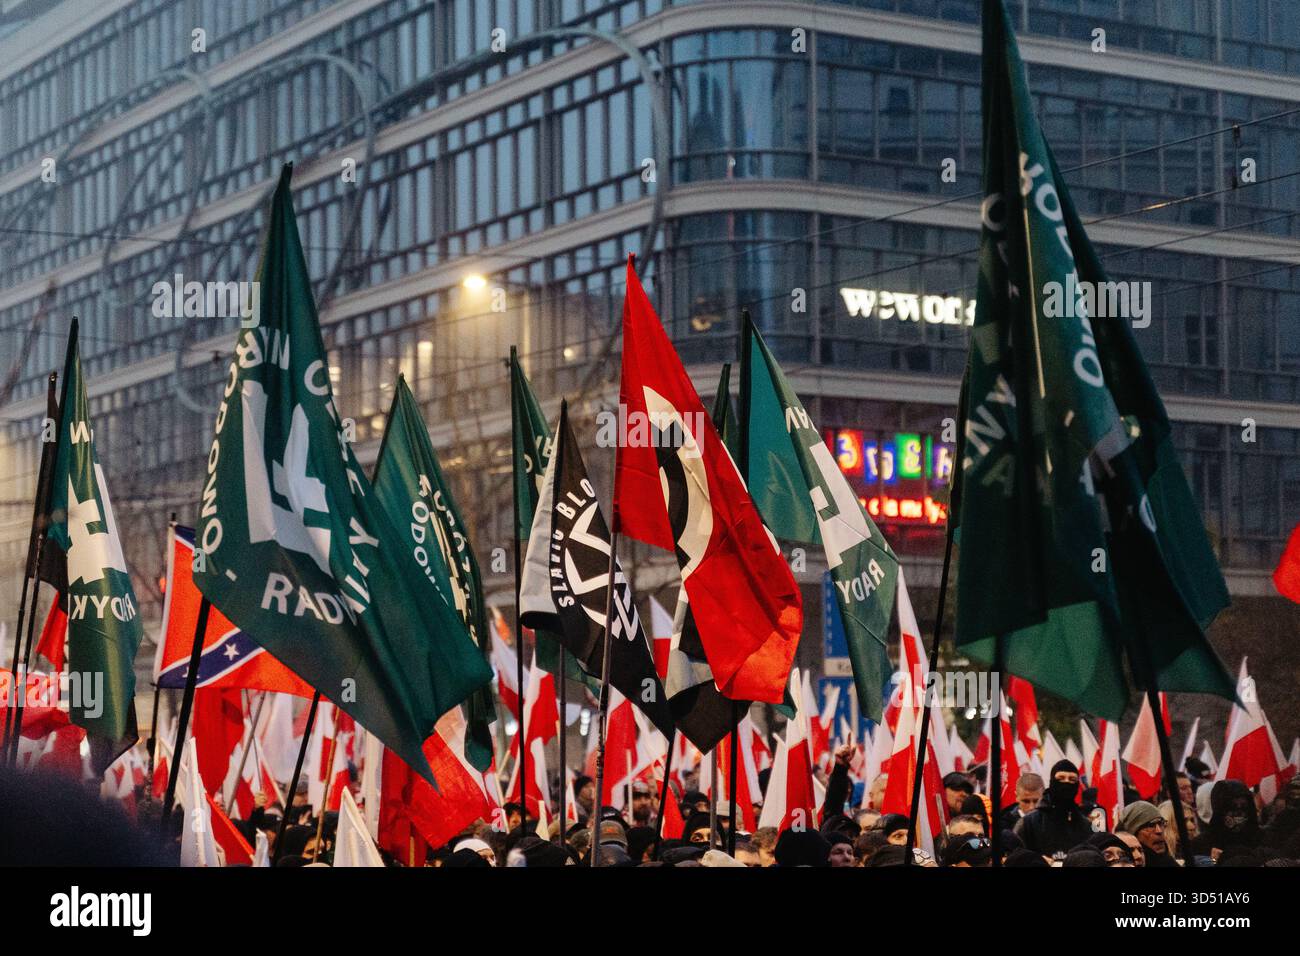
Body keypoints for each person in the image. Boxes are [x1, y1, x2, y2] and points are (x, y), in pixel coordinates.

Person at [1013, 760, 1094, 861]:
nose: (1066, 782)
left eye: (1072, 779)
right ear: (1052, 781)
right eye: (1061, 778)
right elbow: (1013, 858)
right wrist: (1036, 861)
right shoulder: (1028, 824)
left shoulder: (1086, 826)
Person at [1117, 801, 1177, 867]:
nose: (1159, 831)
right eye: (1150, 825)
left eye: (1160, 823)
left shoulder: (1169, 862)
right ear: (1133, 833)